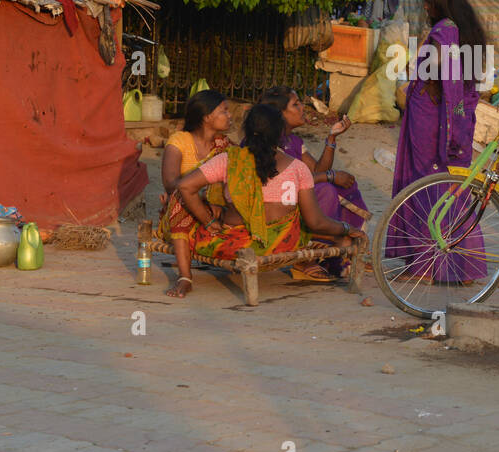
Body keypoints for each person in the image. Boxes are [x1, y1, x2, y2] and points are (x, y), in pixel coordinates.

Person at [163, 103, 365, 297]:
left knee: (179, 202)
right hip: (284, 244)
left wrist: (207, 220)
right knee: (299, 218)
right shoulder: (297, 168)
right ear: (279, 134)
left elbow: (184, 186)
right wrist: (346, 228)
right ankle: (336, 244)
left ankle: (185, 277)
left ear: (247, 132)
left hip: (233, 247)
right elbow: (316, 222)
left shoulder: (230, 159)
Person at [385, 0, 488, 282]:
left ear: (441, 2)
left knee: (428, 188)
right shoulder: (464, 30)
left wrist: (423, 89)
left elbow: (450, 81)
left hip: (431, 122)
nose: (426, 7)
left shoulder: (445, 32)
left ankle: (425, 268)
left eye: (429, 2)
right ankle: (462, 267)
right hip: (440, 119)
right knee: (449, 189)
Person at [258, 86, 369, 278]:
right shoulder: (266, 142)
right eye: (296, 104)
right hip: (280, 203)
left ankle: (339, 252)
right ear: (279, 115)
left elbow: (318, 171)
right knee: (325, 189)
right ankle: (308, 257)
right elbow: (284, 180)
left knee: (345, 184)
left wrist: (331, 138)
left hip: (299, 196)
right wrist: (329, 176)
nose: (302, 107)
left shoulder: (294, 141)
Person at [157, 89, 231, 287]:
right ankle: (184, 276)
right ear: (207, 117)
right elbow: (171, 185)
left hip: (214, 210)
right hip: (184, 210)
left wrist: (215, 200)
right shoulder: (179, 141)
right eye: (224, 111)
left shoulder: (225, 145)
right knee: (182, 195)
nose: (229, 116)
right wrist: (202, 194)